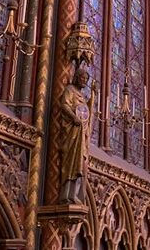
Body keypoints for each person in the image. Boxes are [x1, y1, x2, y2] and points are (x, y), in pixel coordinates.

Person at [60, 67, 91, 204]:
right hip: (72, 133)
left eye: (86, 79)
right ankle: (66, 194)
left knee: (80, 163)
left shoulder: (82, 96)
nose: (84, 81)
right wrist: (74, 117)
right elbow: (65, 106)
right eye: (82, 78)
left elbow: (86, 113)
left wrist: (94, 96)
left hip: (81, 134)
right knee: (71, 162)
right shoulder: (69, 90)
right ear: (77, 77)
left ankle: (74, 194)